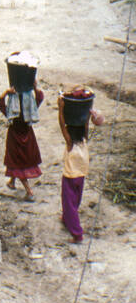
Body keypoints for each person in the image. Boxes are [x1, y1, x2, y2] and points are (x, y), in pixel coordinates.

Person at [57, 92, 103, 244]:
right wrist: (87, 113)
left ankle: (77, 234)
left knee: (68, 202)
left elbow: (62, 124)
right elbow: (85, 125)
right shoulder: (84, 140)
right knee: (75, 200)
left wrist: (60, 108)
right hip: (81, 176)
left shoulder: (70, 143)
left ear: (69, 133)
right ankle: (66, 218)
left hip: (70, 177)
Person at [0, 83, 43, 200]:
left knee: (17, 164)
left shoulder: (11, 112)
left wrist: (7, 92)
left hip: (15, 139)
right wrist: (35, 87)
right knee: (18, 162)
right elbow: (40, 97)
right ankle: (12, 182)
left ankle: (29, 192)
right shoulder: (30, 110)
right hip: (28, 138)